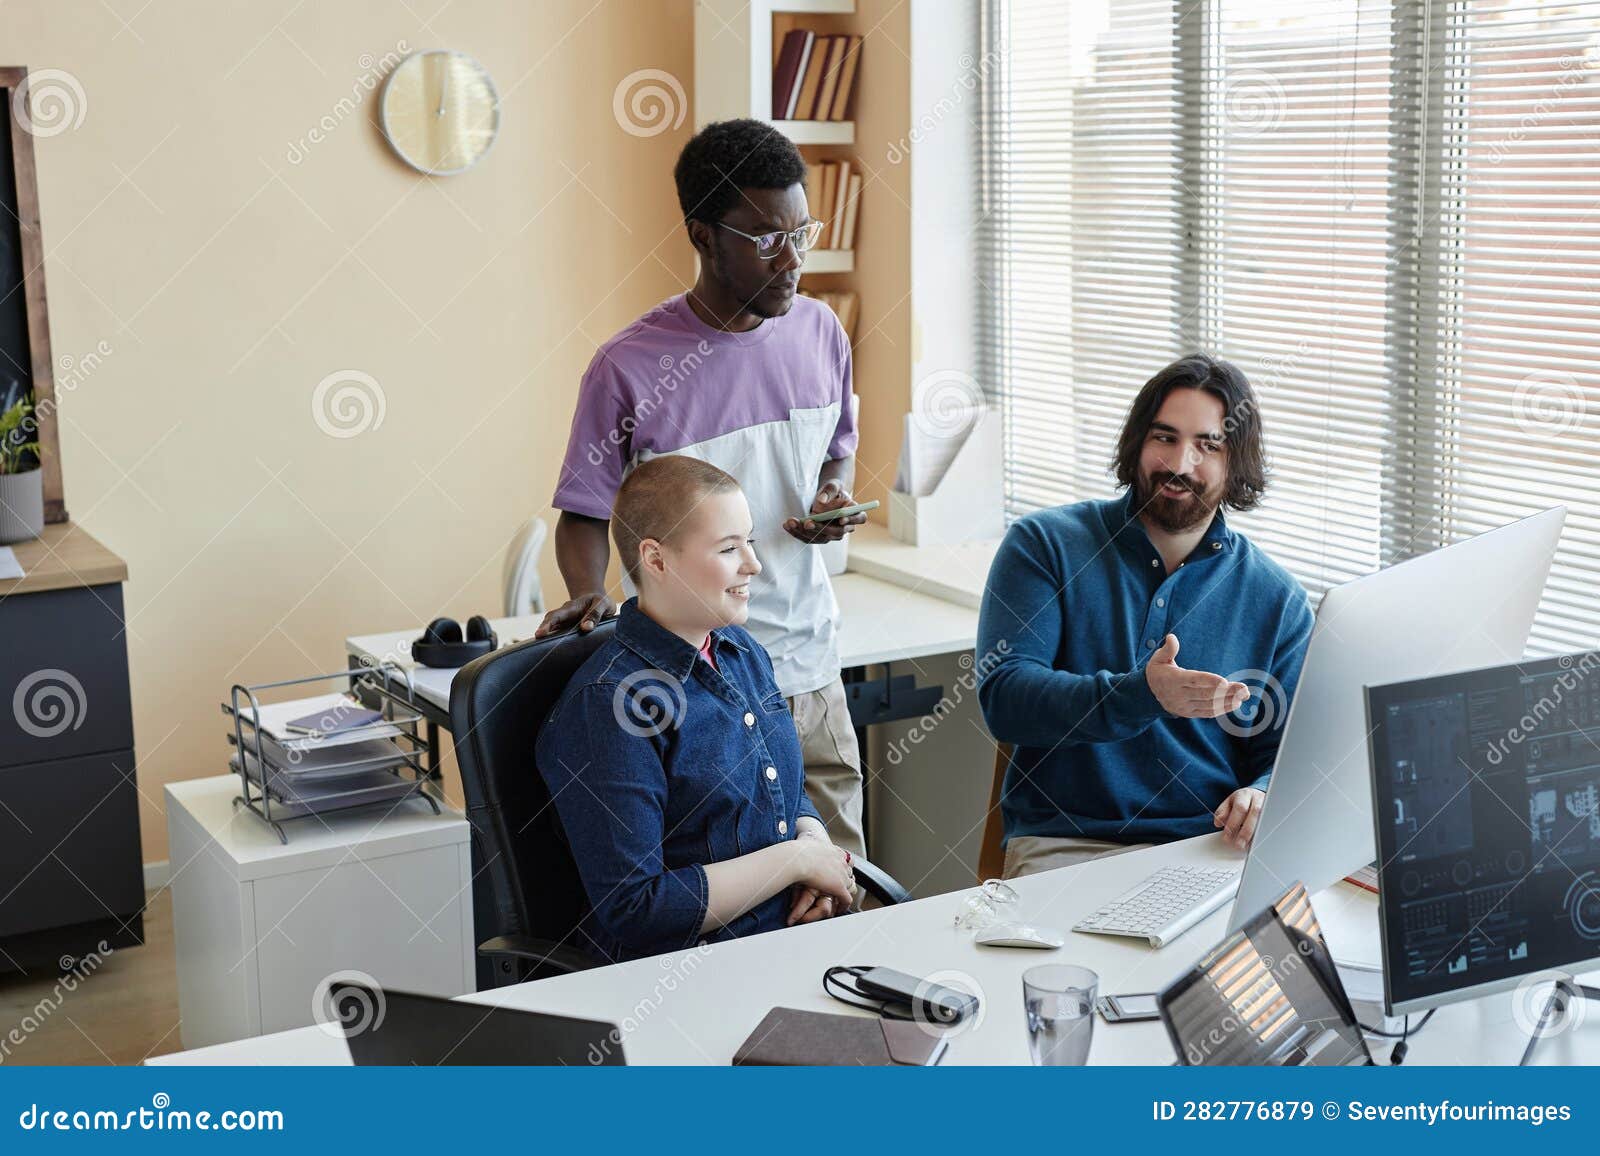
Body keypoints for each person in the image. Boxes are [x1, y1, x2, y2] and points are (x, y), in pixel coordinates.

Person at [537, 118, 867, 856]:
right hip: (694, 689)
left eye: (801, 233)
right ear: (703, 236)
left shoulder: (823, 334)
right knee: (730, 895)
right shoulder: (628, 367)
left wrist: (831, 498)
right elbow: (584, 512)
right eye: (767, 238)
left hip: (808, 669)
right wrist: (588, 591)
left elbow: (835, 458)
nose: (793, 259)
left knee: (845, 886)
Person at [976, 354, 1314, 878]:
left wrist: (1263, 793)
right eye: (1164, 437)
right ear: (1137, 443)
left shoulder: (1278, 599)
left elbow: (1291, 754)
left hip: (1210, 850)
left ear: (1236, 463)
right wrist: (1142, 694)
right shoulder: (1045, 544)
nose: (1180, 463)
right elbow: (1006, 701)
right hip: (1067, 844)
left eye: (1208, 445)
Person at [536, 455, 855, 963]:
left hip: (786, 944)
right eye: (729, 548)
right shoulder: (611, 706)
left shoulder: (741, 651)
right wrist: (794, 862)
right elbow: (636, 908)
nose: (754, 564)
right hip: (684, 974)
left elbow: (781, 789)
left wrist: (814, 847)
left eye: (749, 541)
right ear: (656, 559)